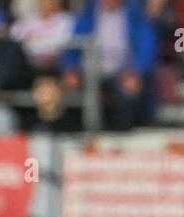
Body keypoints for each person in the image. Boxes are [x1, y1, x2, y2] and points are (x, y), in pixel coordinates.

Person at [62, 0, 158, 131]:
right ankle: (81, 132)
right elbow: (73, 44)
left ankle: (122, 134)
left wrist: (136, 71)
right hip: (89, 73)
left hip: (123, 73)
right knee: (69, 89)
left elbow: (147, 47)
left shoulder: (134, 14)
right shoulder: (88, 14)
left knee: (128, 93)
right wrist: (70, 69)